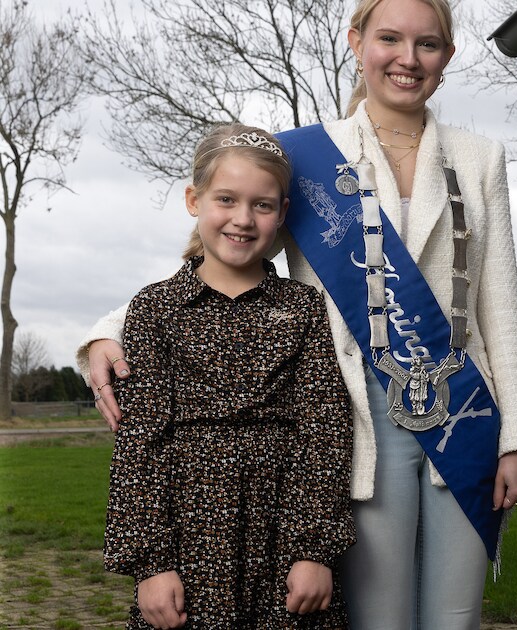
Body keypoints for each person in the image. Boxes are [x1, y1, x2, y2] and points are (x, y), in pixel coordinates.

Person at [80, 0, 517, 628]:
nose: (408, 59)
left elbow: (502, 302)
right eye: (389, 39)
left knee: (455, 616)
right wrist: (105, 333)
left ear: (448, 56)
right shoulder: (305, 155)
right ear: (356, 42)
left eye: (427, 44)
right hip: (354, 419)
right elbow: (219, 250)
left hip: (462, 411)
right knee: (378, 617)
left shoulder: (480, 156)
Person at [104, 124, 355, 628]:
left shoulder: (305, 309)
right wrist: (151, 565)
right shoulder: (156, 309)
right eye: (226, 199)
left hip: (283, 528)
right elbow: (140, 443)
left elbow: (325, 431)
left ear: (282, 213)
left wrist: (314, 550)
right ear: (194, 200)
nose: (243, 219)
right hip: (189, 531)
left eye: (262, 205)